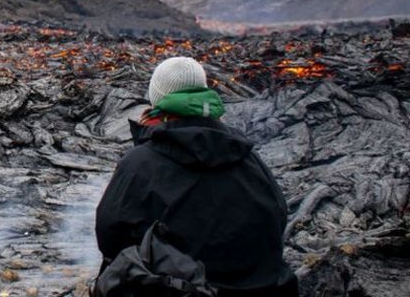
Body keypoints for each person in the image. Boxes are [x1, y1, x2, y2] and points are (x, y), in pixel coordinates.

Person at [94, 56, 298, 297]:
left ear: (157, 99)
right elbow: (277, 218)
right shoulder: (248, 158)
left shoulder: (139, 164)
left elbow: (110, 237)